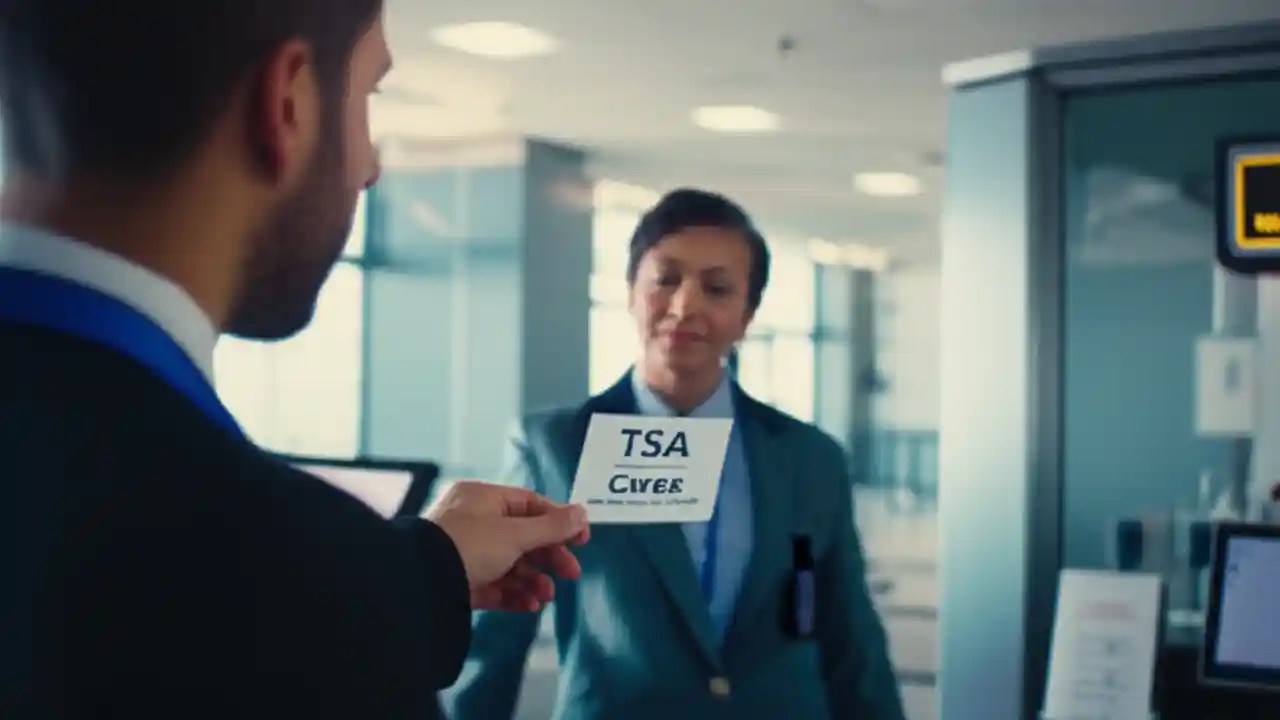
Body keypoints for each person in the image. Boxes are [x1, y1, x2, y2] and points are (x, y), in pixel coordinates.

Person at [0, 1, 588, 717]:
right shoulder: (290, 574)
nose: (370, 167)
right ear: (286, 102)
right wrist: (351, 590)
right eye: (369, 98)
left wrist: (415, 572)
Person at [440, 189, 905, 719]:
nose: (686, 306)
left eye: (718, 288)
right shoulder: (555, 447)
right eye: (666, 279)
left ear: (748, 315)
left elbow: (852, 639)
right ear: (631, 291)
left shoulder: (809, 458)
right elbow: (492, 643)